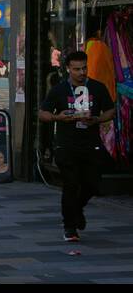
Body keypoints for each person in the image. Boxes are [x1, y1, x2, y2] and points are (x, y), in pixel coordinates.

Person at [40, 50, 116, 242]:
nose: (81, 72)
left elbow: (110, 110)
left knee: (92, 183)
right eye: (76, 69)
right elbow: (43, 114)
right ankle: (70, 227)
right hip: (66, 145)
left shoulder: (97, 88)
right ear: (68, 69)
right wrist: (59, 117)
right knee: (71, 184)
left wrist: (97, 119)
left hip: (91, 144)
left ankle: (77, 209)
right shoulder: (59, 90)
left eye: (84, 68)